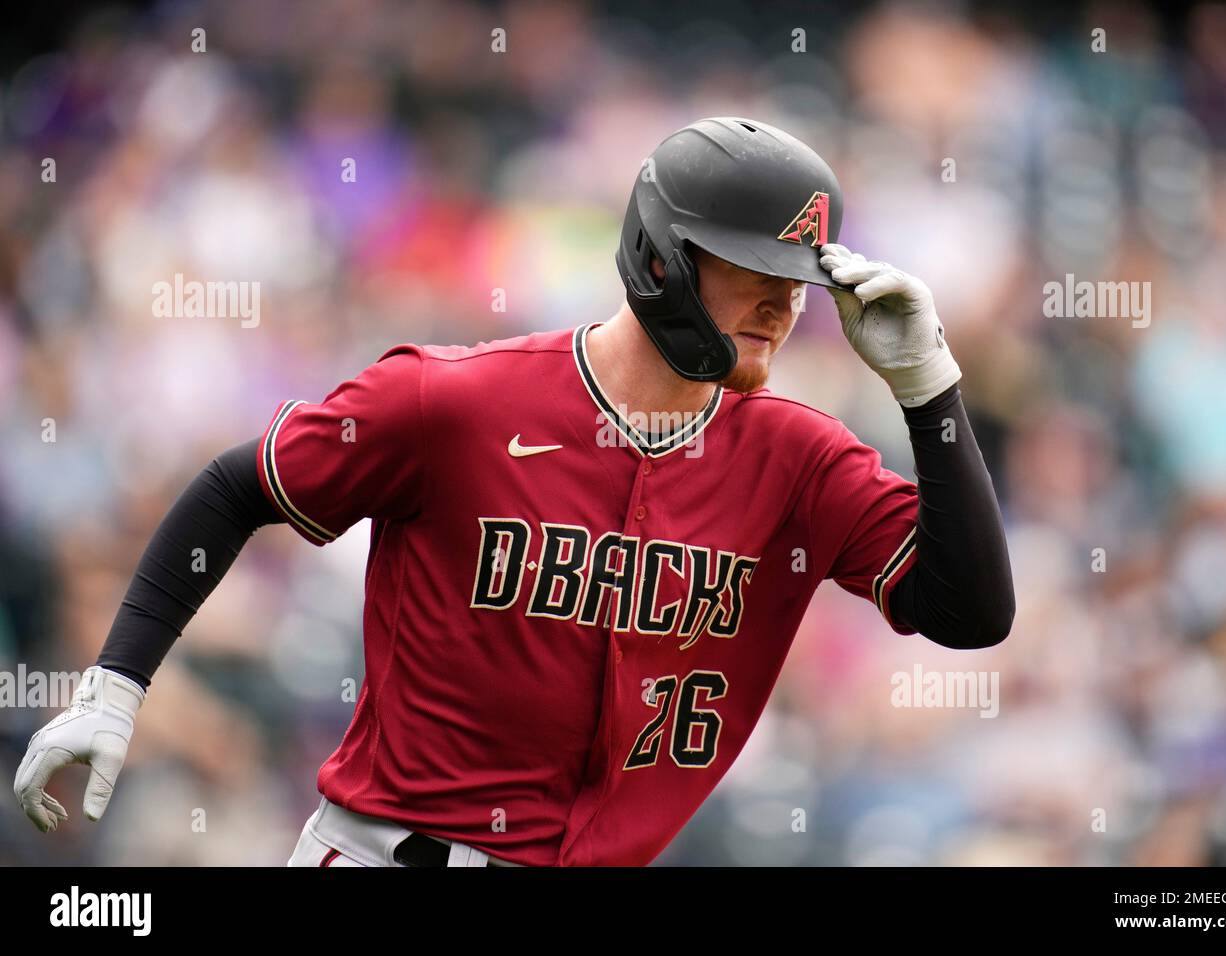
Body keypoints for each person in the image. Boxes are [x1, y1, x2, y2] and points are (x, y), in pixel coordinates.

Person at [14, 117, 1014, 866]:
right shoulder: (451, 399)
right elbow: (239, 484)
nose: (785, 302)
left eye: (800, 277)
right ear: (660, 256)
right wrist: (117, 681)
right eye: (754, 268)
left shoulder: (800, 459)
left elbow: (970, 611)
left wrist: (929, 388)